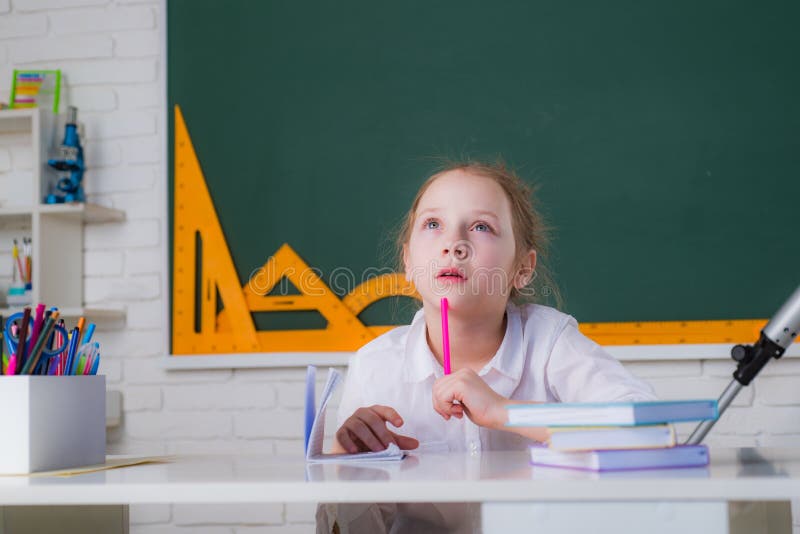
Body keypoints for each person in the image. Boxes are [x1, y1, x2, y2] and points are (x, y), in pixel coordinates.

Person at [317, 160, 657, 533]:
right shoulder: (376, 365)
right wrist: (344, 468)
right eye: (433, 224)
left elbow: (648, 427)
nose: (454, 244)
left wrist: (504, 411)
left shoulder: (550, 342)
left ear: (522, 268)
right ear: (408, 262)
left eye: (481, 227)